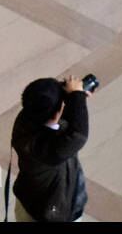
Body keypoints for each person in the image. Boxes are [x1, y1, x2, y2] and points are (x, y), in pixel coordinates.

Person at [10, 76, 90, 222]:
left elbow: (47, 106)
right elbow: (78, 135)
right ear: (58, 111)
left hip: (29, 202)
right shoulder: (47, 149)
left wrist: (74, 99)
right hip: (51, 213)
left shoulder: (26, 119)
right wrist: (77, 97)